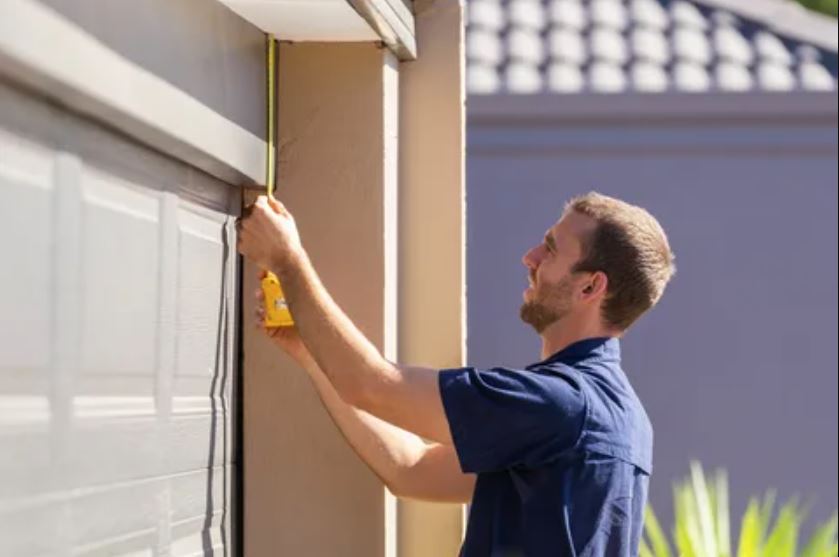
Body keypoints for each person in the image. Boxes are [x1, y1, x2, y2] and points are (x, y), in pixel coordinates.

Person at [237, 191, 675, 556]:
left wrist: (288, 260)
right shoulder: (618, 416)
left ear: (590, 287)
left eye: (552, 248)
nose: (530, 257)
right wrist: (312, 354)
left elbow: (371, 384)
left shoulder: (562, 405)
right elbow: (412, 469)